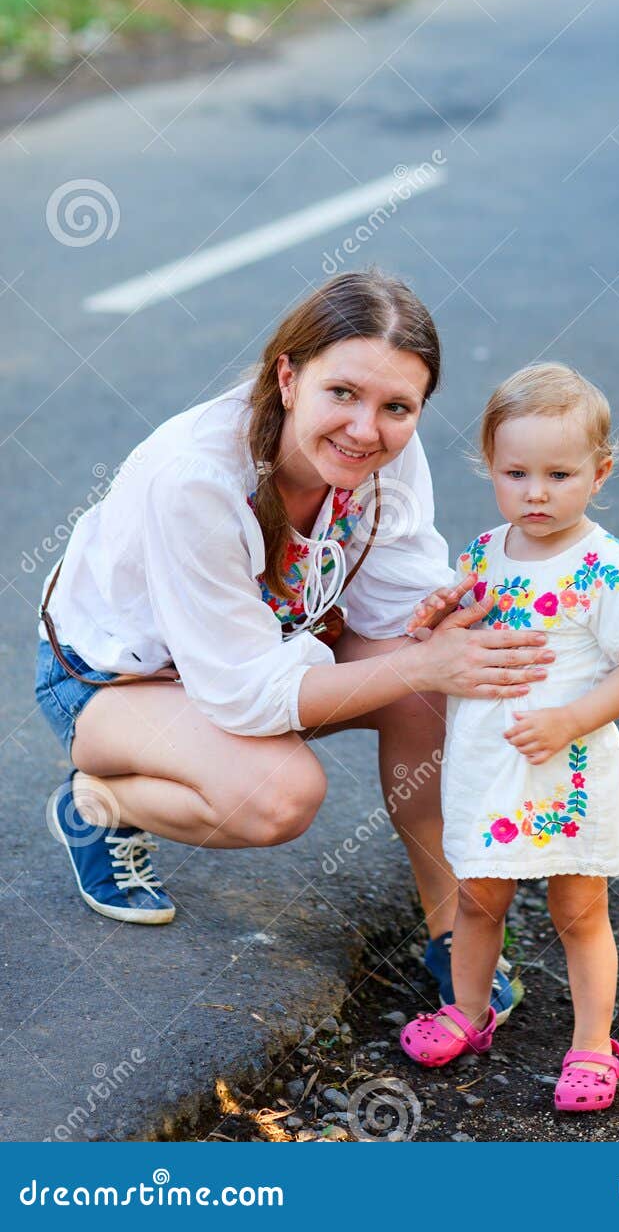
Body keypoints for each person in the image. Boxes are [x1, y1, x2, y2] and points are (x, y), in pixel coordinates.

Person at [34, 271, 556, 1019]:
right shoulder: (198, 478)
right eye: (342, 392)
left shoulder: (380, 453)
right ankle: (100, 803)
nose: (366, 428)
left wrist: (484, 628)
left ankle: (456, 935)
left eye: (396, 407)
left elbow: (399, 608)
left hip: (264, 650)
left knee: (441, 682)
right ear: (288, 375)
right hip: (114, 684)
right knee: (278, 798)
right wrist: (420, 658)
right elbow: (244, 693)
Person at [397, 363, 619, 1112]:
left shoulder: (604, 567)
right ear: (490, 469)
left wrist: (571, 720)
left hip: (564, 767)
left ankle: (590, 1044)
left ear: (599, 472)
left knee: (579, 911)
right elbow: (462, 633)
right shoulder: (483, 553)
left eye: (558, 473)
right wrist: (437, 616)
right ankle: (469, 1011)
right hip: (489, 769)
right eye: (515, 473)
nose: (536, 492)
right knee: (478, 901)